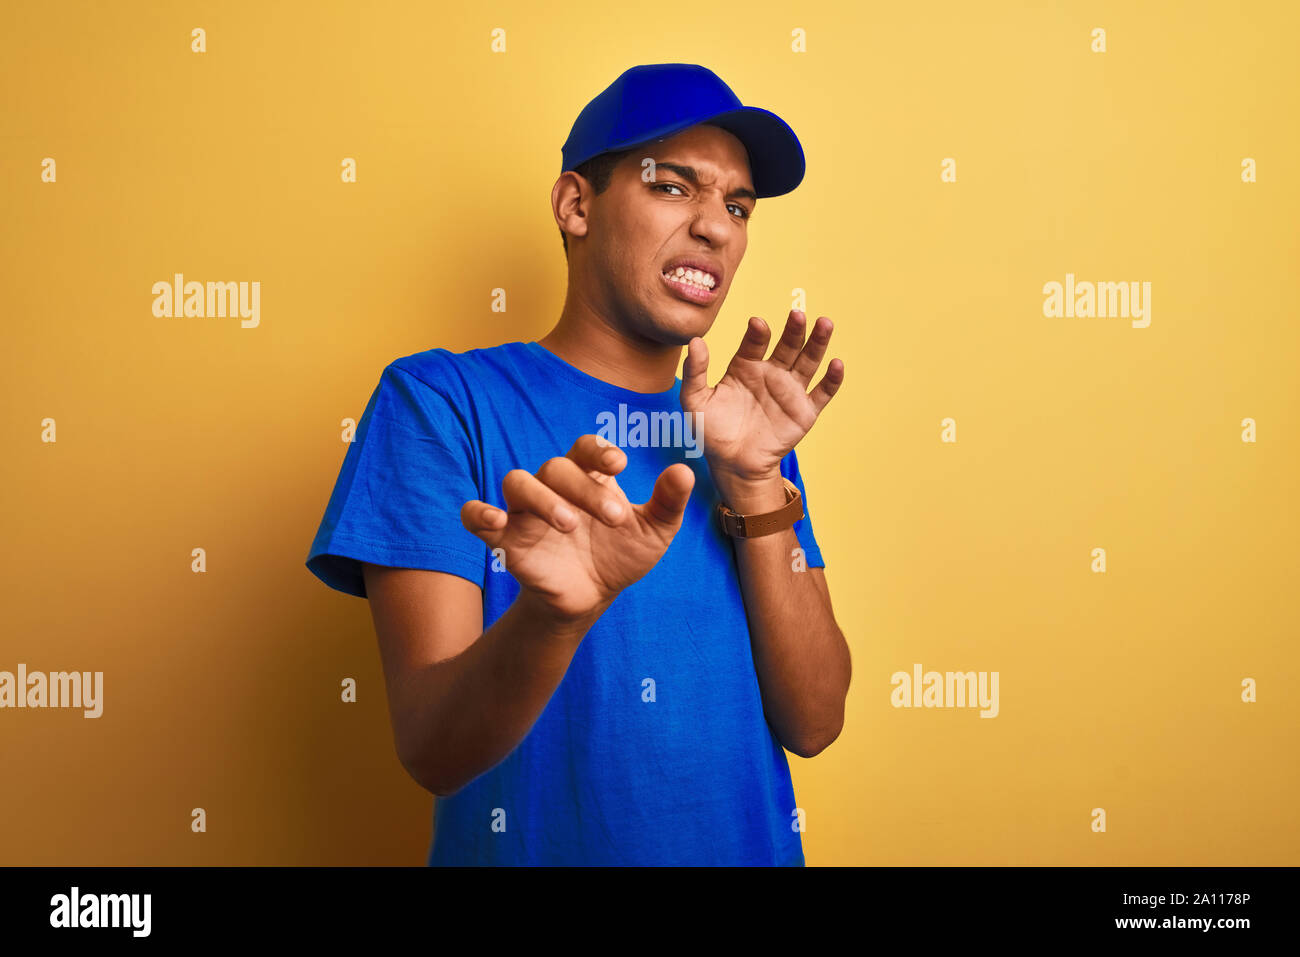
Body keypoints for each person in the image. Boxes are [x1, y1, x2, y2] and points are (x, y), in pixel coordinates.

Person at [305, 63, 851, 865]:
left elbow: (815, 720)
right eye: (675, 187)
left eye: (738, 206)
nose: (717, 227)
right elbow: (430, 745)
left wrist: (756, 479)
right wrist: (552, 617)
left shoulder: (739, 427)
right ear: (576, 205)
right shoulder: (440, 401)